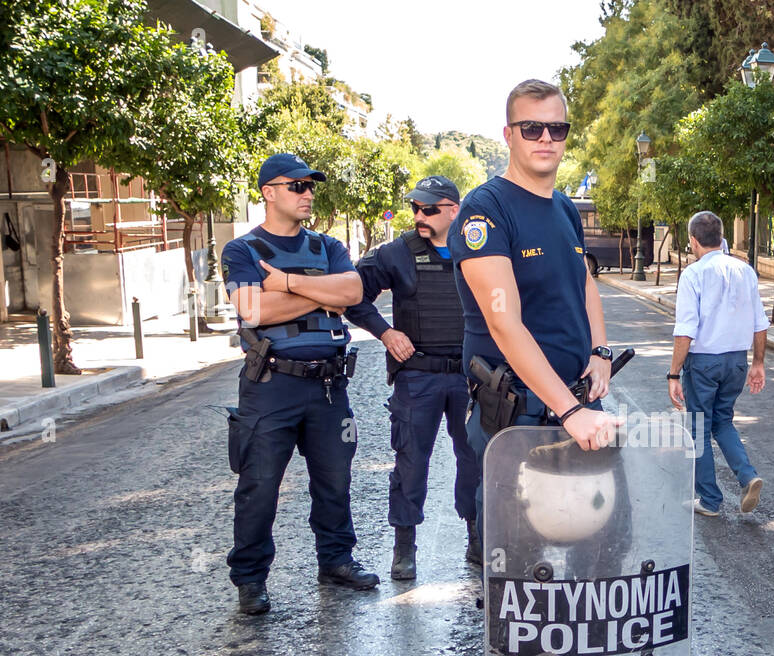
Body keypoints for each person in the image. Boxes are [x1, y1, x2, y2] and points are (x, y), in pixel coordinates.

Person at [449, 78, 621, 554]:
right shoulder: (485, 211)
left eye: (557, 128)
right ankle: (512, 628)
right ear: (508, 134)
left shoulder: (565, 206)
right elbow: (504, 321)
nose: (546, 138)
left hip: (577, 400)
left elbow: (584, 280)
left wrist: (600, 350)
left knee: (598, 533)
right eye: (531, 128)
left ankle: (582, 629)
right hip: (516, 411)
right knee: (518, 552)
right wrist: (570, 412)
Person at [222, 152, 379, 615]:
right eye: (297, 186)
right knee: (260, 485)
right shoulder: (242, 250)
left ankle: (335, 561)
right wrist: (318, 295)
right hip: (272, 385)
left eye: (311, 186)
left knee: (334, 480)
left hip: (329, 387)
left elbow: (351, 294)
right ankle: (250, 579)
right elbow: (254, 311)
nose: (308, 193)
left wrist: (287, 283)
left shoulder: (328, 246)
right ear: (269, 192)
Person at [346, 175, 482, 578]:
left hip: (469, 376)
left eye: (429, 209)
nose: (419, 216)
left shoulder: (477, 248)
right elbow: (353, 294)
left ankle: (478, 537)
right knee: (410, 462)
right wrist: (386, 332)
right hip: (417, 377)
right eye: (415, 209)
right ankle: (404, 546)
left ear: (453, 211)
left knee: (475, 459)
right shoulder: (397, 253)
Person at [667, 210, 768, 516]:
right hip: (737, 362)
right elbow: (760, 323)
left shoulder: (693, 274)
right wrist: (758, 363)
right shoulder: (745, 271)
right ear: (722, 239)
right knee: (722, 421)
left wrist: (672, 374)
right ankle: (748, 476)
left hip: (703, 364)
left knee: (698, 428)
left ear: (693, 241)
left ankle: (709, 500)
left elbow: (685, 331)